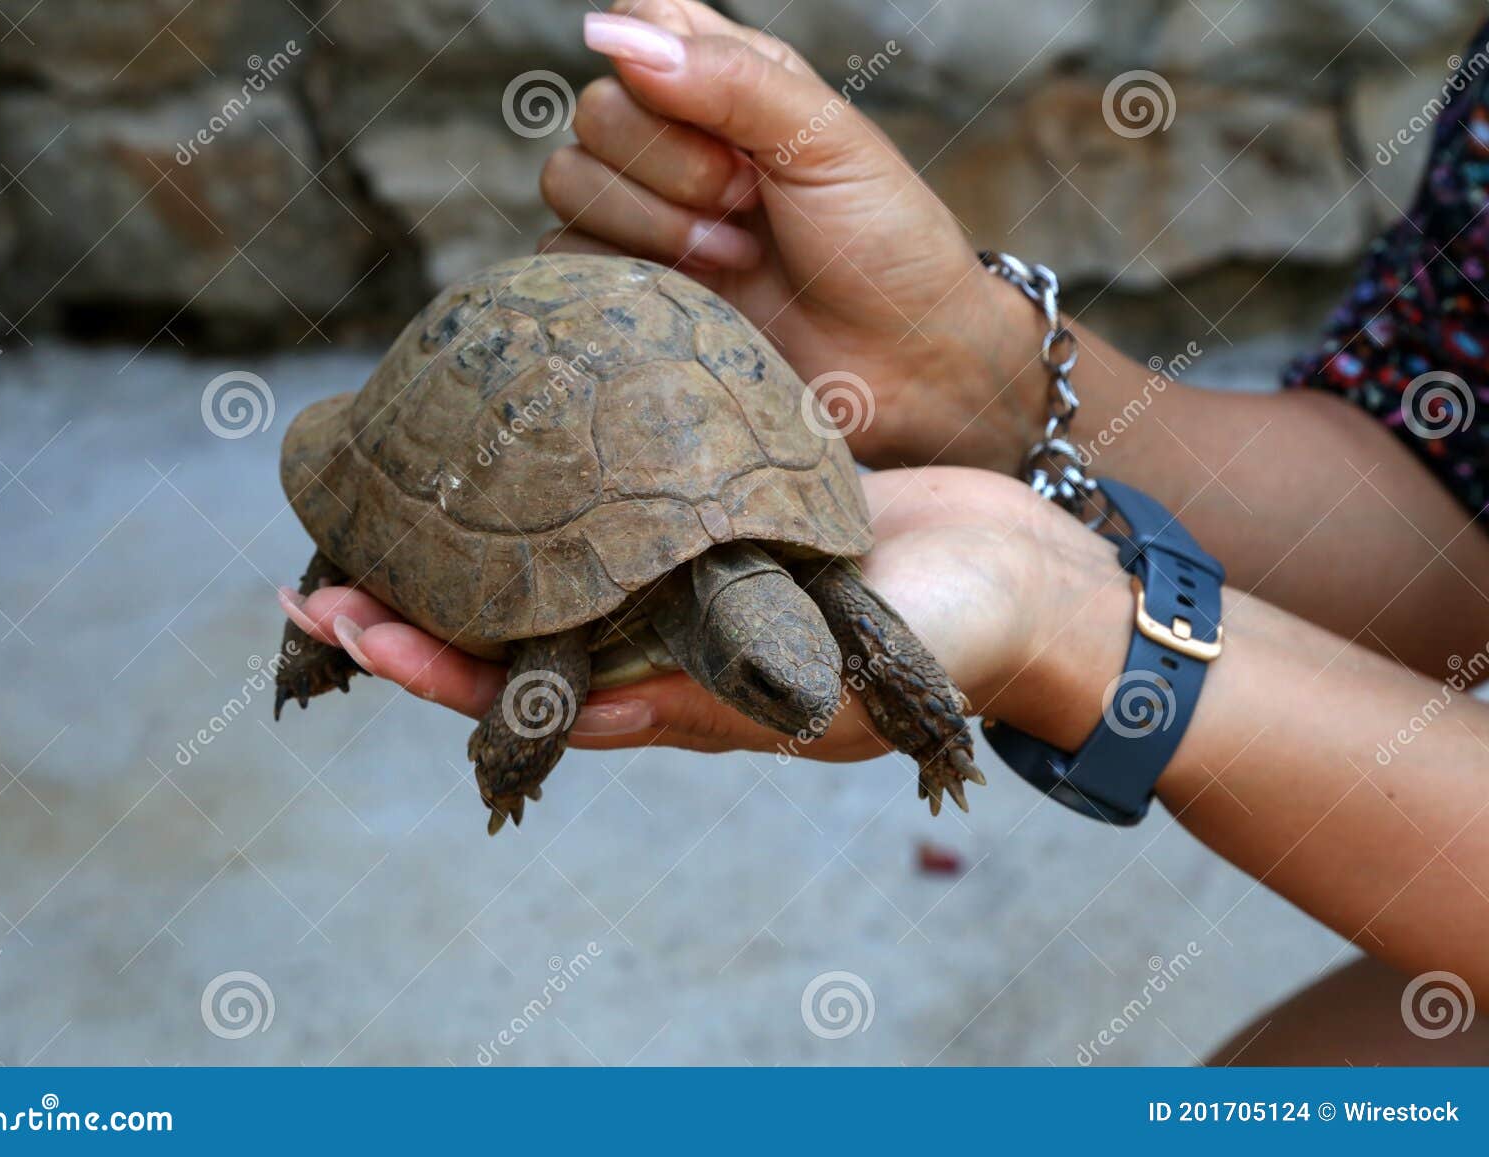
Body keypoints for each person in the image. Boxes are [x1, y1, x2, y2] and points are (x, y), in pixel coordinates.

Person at [278, 1, 1489, 1063]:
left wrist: (1076, 631)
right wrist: (976, 373)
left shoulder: (814, 610)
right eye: (765, 673)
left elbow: (811, 622)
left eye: (777, 666)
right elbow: (1451, 509)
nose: (795, 693)